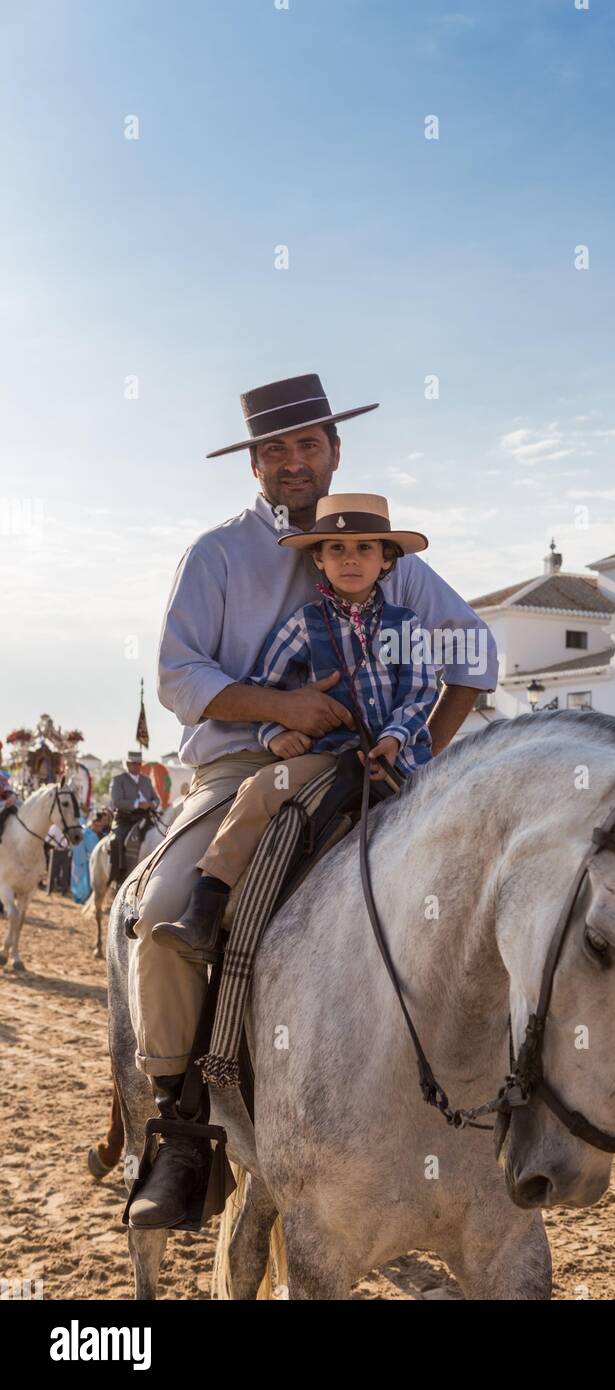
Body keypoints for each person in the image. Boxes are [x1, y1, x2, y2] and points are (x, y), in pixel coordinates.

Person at [125, 373, 497, 1230]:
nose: (295, 462)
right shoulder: (217, 555)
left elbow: (474, 653)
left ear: (336, 449)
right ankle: (181, 1133)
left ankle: (487, 1107)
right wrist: (281, 707)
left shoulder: (382, 551)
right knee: (168, 919)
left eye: (309, 445)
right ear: (254, 463)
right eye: (276, 450)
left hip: (376, 772)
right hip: (240, 773)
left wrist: (419, 749)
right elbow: (180, 678)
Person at [153, 494, 437, 959]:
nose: (351, 560)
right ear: (318, 559)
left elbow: (421, 693)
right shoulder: (302, 627)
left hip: (402, 759)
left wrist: (392, 738)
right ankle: (206, 905)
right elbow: (266, 688)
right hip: (331, 757)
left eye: (366, 548)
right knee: (262, 789)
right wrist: (275, 733)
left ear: (387, 560)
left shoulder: (406, 626)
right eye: (338, 550)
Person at [109, 753, 160, 885]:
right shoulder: (118, 780)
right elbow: (117, 801)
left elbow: (156, 799)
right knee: (117, 840)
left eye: (139, 763)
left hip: (145, 817)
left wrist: (152, 804)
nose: (137, 766)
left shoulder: (146, 780)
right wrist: (137, 804)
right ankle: (119, 874)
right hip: (125, 818)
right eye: (134, 763)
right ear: (128, 764)